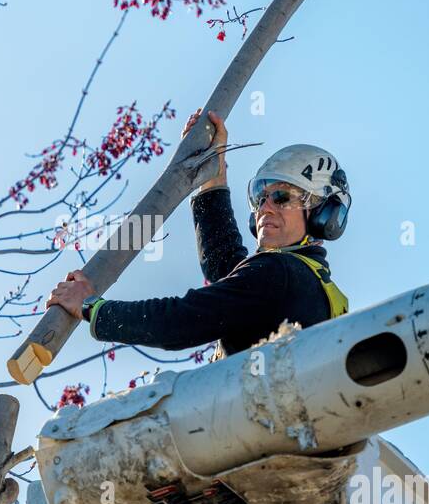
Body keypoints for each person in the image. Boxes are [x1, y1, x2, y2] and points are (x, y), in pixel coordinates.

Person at [45, 109, 351, 358]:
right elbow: (225, 267)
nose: (264, 208)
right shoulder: (300, 281)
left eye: (282, 197)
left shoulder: (281, 274)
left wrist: (92, 307)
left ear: (323, 212)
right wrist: (212, 173)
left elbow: (183, 320)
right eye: (260, 196)